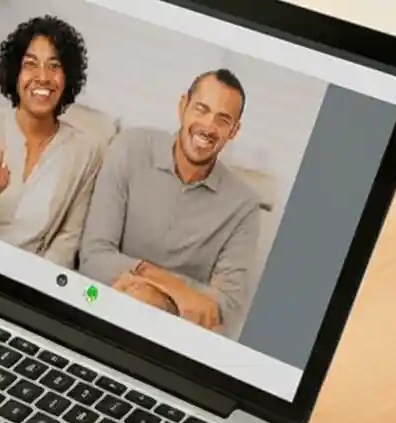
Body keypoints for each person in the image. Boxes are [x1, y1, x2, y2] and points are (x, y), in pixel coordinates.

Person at [78, 69, 262, 338]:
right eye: (201, 109)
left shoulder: (244, 206)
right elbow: (93, 257)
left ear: (234, 131)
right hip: (96, 302)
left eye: (223, 120)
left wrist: (156, 300)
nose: (209, 127)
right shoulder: (130, 147)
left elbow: (226, 308)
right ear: (182, 106)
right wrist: (174, 290)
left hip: (173, 336)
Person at [0, 16, 103, 269]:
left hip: (27, 286)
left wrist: (32, 287)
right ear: (15, 72)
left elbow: (67, 242)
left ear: (68, 76)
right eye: (30, 64)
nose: (43, 77)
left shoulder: (85, 151)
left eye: (54, 66)